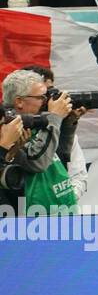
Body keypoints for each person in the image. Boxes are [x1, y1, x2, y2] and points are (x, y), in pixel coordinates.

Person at [0, 71, 77, 214]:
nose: (47, 101)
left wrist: (67, 124)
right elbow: (38, 162)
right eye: (41, 97)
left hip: (63, 207)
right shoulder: (9, 129)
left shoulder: (38, 122)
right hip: (36, 218)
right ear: (19, 102)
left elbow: (60, 154)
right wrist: (55, 117)